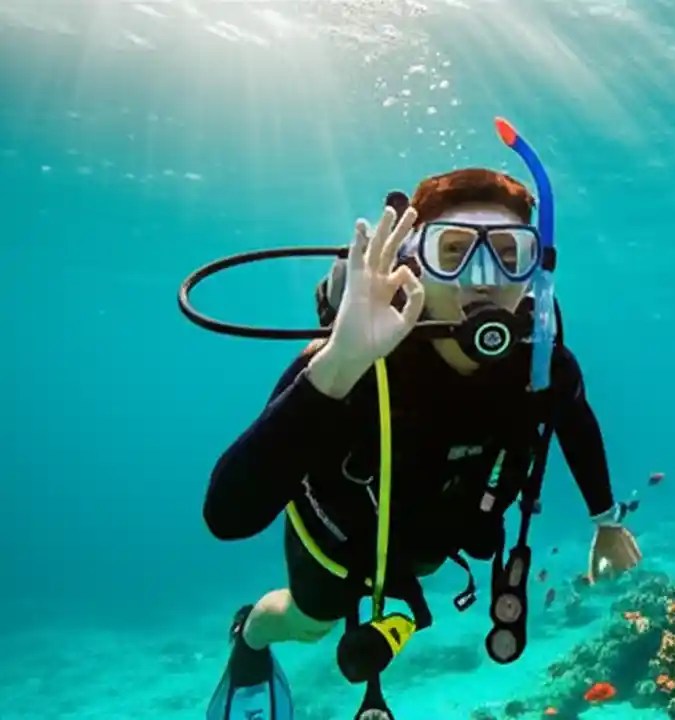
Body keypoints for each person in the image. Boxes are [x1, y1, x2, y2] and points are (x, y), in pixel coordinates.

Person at [202, 167, 642, 720]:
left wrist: (606, 520)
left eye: (510, 254)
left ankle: (399, 614)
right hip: (337, 540)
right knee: (309, 623)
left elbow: (574, 417)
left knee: (422, 571)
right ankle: (250, 634)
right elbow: (228, 515)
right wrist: (340, 362)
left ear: (536, 270)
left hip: (435, 536)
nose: (483, 280)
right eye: (452, 252)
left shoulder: (539, 363)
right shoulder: (355, 355)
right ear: (414, 262)